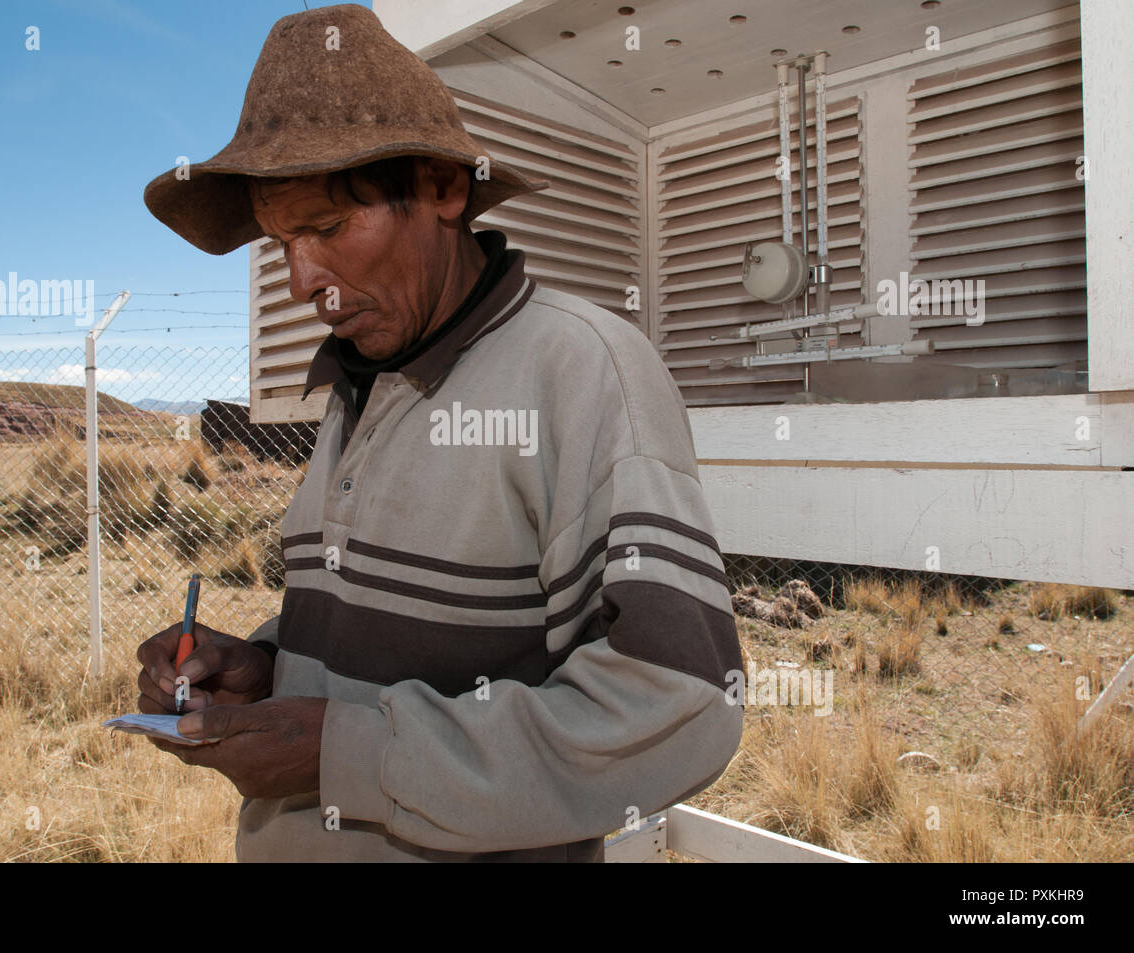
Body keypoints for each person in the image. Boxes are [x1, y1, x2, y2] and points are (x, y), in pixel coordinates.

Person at [136, 2, 742, 862]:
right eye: (279, 243)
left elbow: (682, 705)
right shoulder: (358, 381)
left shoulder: (581, 370)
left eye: (330, 227)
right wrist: (268, 670)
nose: (303, 280)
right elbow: (385, 639)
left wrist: (346, 752)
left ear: (444, 190)